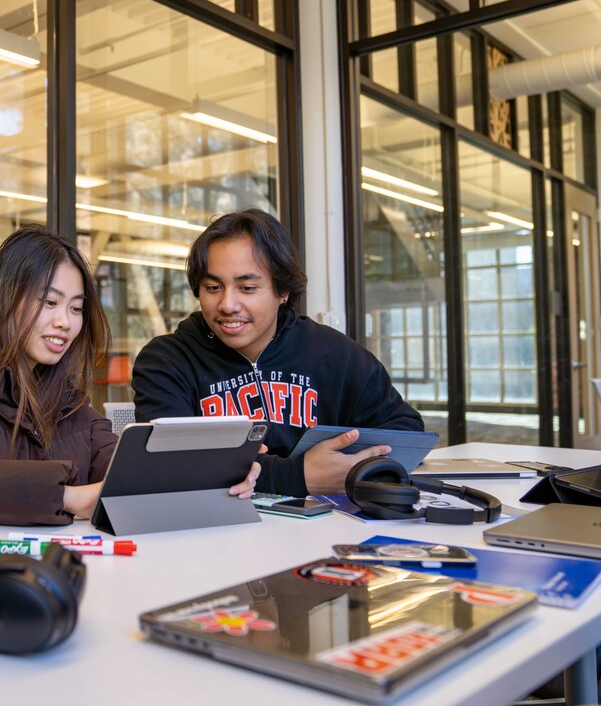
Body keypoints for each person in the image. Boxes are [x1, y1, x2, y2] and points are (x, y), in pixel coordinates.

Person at [0, 225, 266, 533]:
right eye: (50, 302)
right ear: (5, 297)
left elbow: (126, 471)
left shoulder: (69, 399)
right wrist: (66, 498)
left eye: (76, 308)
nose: (66, 322)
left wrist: (214, 474)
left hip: (29, 572)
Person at [132, 209, 423, 497]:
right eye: (213, 287)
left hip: (329, 522)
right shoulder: (166, 361)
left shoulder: (335, 354)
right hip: (220, 521)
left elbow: (407, 433)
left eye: (247, 287)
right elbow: (170, 464)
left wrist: (341, 466)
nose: (227, 304)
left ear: (283, 291)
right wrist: (297, 476)